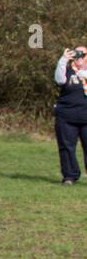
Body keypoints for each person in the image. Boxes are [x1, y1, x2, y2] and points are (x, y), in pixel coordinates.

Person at [54, 45, 87, 185]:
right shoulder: (66, 70)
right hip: (66, 116)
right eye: (77, 54)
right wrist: (63, 60)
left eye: (83, 54)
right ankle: (69, 176)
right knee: (67, 147)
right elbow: (59, 80)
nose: (80, 57)